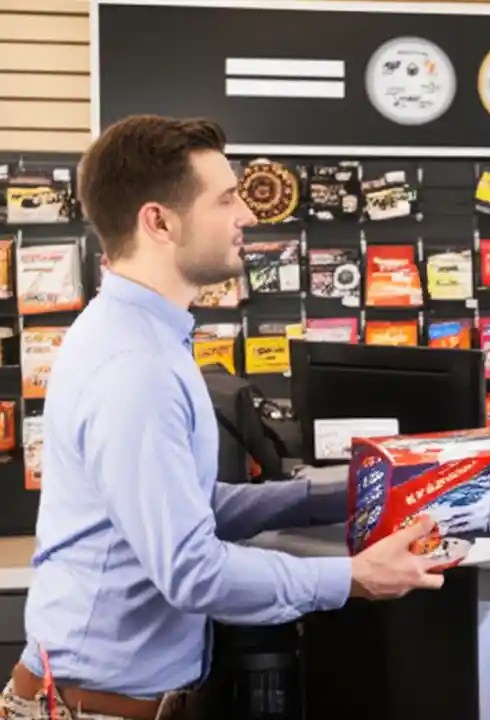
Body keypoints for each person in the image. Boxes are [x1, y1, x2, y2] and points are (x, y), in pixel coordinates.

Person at [3, 115, 444, 720]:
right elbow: (190, 570)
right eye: (227, 199)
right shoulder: (136, 365)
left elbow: (192, 506)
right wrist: (353, 577)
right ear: (159, 221)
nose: (249, 215)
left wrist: (335, 493)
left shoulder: (146, 338)